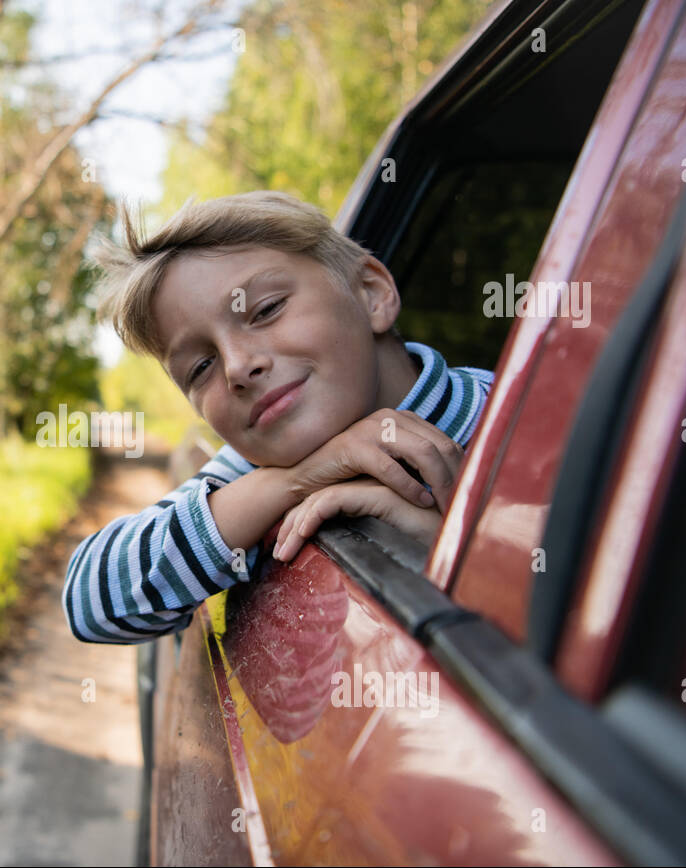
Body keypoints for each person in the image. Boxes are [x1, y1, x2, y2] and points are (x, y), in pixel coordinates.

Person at [63, 191, 494, 645]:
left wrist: (459, 549)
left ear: (371, 294)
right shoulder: (260, 468)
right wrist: (300, 479)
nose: (236, 367)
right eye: (200, 368)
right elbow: (90, 599)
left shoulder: (510, 421)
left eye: (265, 310)